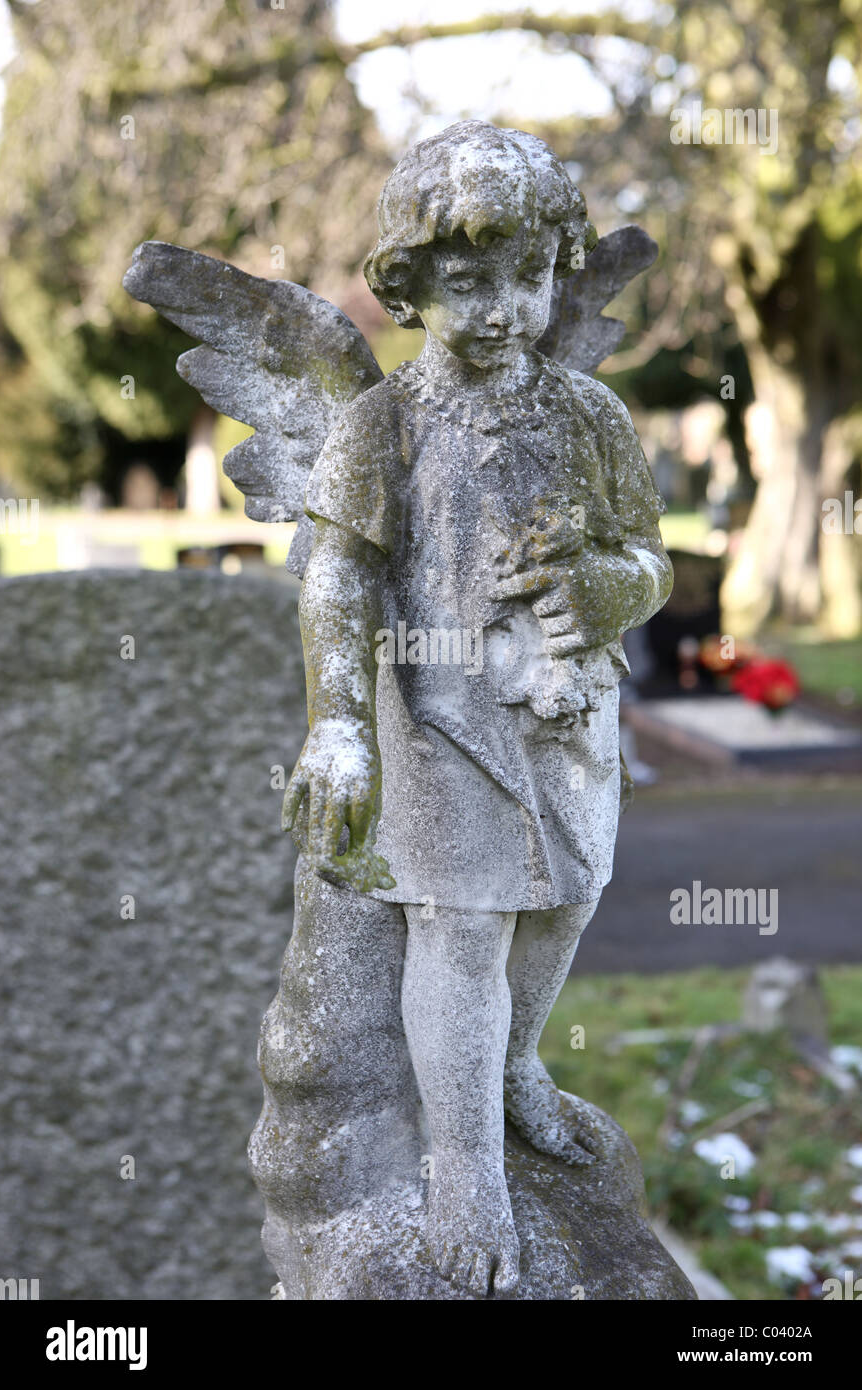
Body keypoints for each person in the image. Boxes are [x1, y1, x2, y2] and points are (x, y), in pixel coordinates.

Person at [282, 121, 672, 1296]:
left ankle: (509, 1063)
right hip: (437, 711)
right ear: (408, 288)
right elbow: (336, 573)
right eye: (466, 284)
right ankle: (462, 1161)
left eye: (527, 277)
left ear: (557, 268)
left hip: (563, 713)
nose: (502, 307)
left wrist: (609, 587)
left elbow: (647, 557)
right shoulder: (384, 424)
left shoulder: (588, 416)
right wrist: (340, 719)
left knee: (567, 898)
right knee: (461, 926)